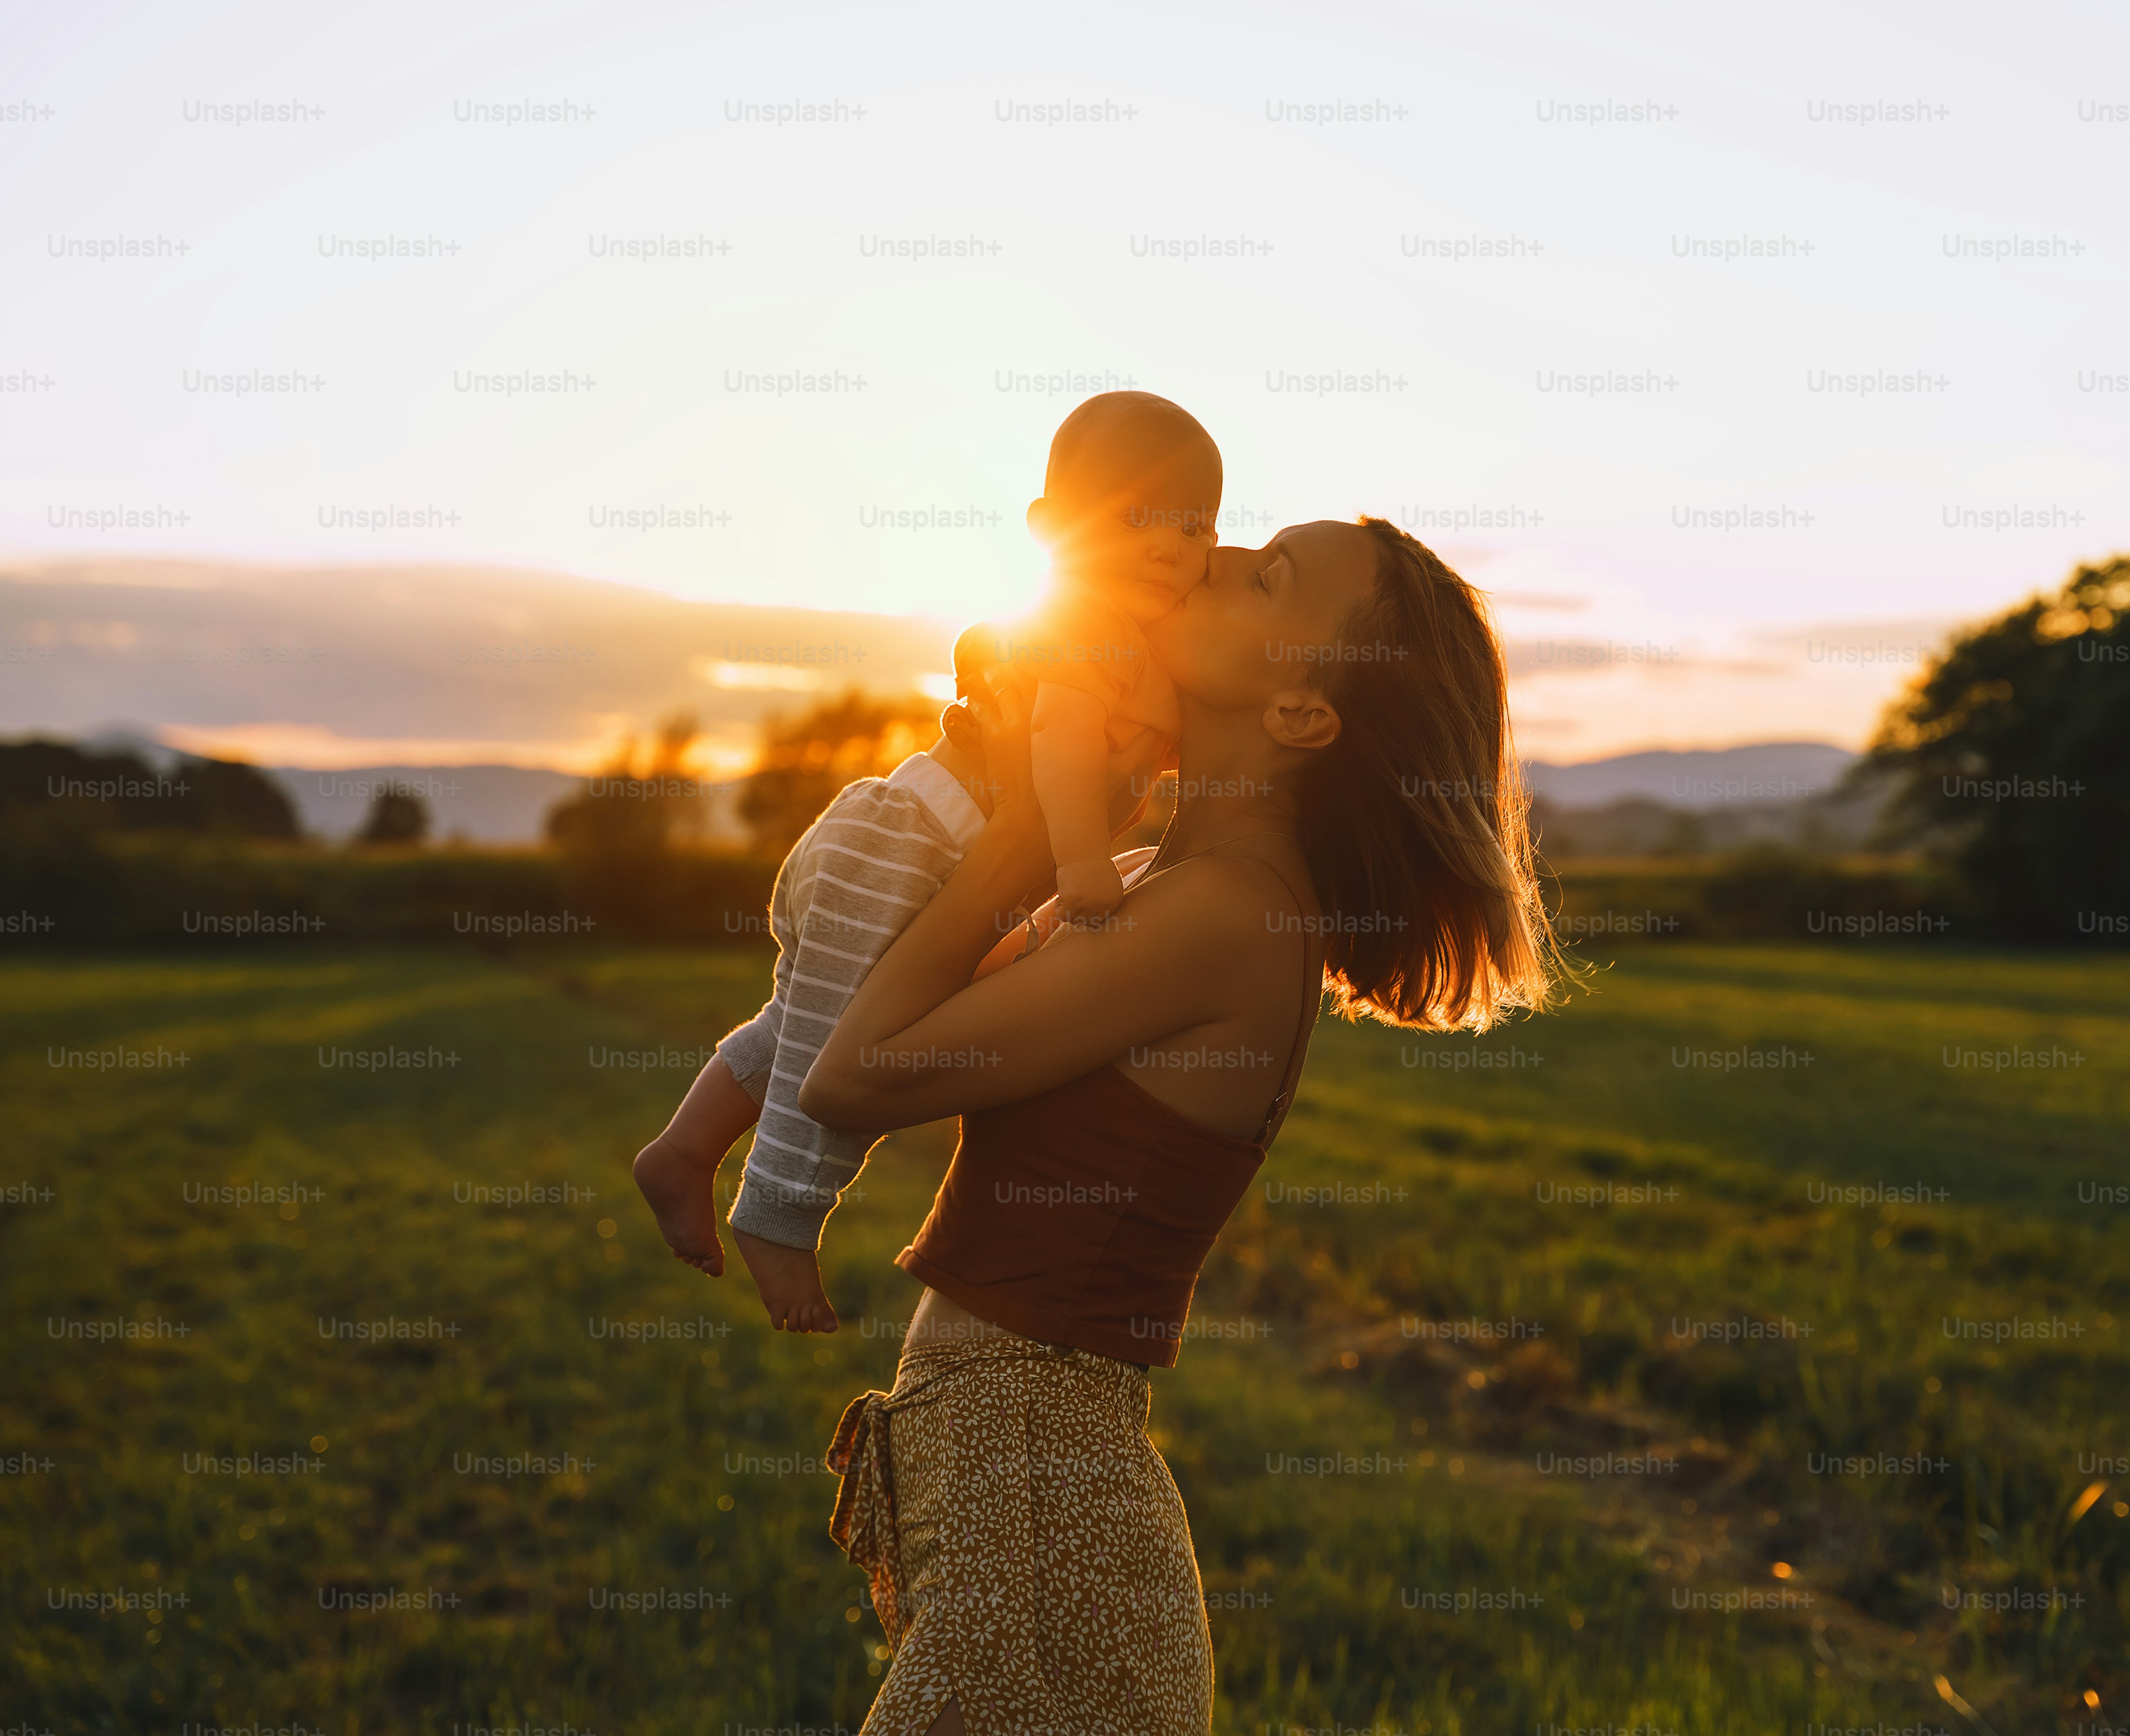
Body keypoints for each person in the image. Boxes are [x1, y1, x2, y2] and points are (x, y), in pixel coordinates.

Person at [796, 517, 1557, 1736]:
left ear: (1304, 713)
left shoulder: (1221, 912)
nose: (1204, 558)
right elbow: (873, 999)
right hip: (1022, 1473)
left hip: (1041, 1482)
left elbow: (856, 1073)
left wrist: (1020, 847)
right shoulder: (1153, 872)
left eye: (1266, 579)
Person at [631, 392, 1218, 1332]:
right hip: (910, 842)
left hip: (908, 840)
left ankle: (680, 1151)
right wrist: (1080, 860)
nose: (1166, 543)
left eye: (1193, 525)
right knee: (844, 1046)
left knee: (809, 1018)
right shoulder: (1083, 621)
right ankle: (779, 1218)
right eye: (1135, 517)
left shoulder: (1135, 643)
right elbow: (1063, 746)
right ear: (1055, 533)